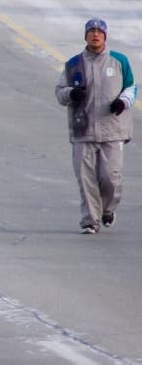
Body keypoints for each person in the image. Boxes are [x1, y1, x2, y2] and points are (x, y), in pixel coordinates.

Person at [55, 18, 136, 235]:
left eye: (100, 32)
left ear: (105, 36)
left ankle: (108, 209)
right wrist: (71, 93)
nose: (95, 35)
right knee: (85, 177)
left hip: (113, 129)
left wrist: (123, 102)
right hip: (83, 129)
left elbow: (131, 87)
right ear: (85, 36)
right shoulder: (73, 65)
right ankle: (90, 221)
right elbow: (60, 92)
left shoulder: (119, 61)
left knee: (110, 177)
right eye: (91, 31)